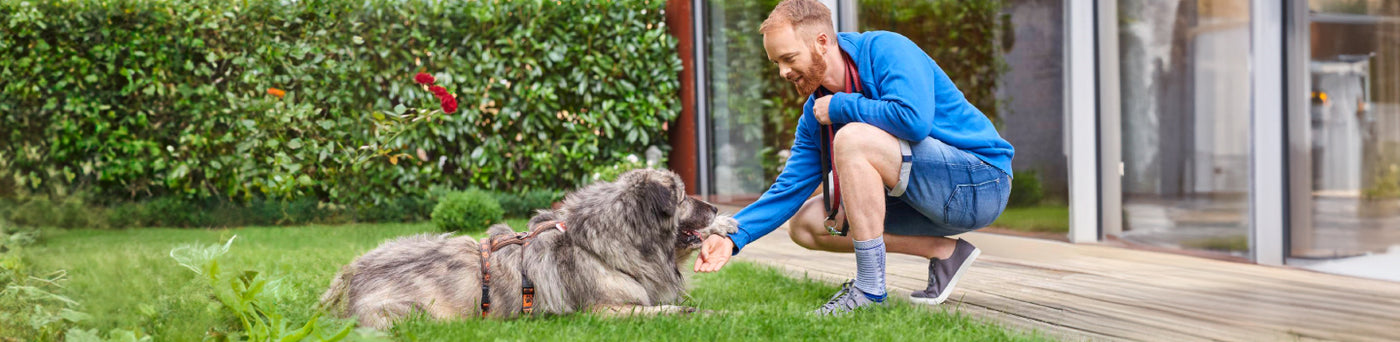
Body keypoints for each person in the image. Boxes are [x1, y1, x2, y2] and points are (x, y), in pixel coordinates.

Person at [692, 0, 1015, 315]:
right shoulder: (815, 113)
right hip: (924, 199)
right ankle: (944, 252)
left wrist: (841, 108)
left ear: (821, 42)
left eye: (788, 58)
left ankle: (869, 289)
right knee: (806, 224)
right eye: (776, 62)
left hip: (981, 182)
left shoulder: (887, 50)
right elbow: (789, 187)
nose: (783, 72)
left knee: (852, 138)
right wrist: (732, 238)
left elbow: (914, 120)